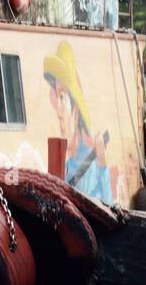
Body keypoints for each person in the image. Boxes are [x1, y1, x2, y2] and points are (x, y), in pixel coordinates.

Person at [44, 41, 113, 203]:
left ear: (76, 113)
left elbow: (108, 205)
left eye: (62, 97)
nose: (58, 110)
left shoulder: (89, 163)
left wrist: (102, 165)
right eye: (56, 96)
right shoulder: (68, 165)